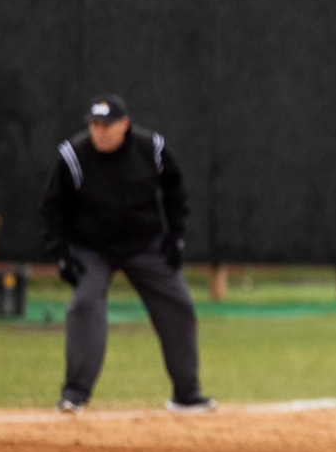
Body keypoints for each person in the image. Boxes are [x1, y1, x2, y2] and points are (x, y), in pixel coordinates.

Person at [41, 92, 214, 415]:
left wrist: (175, 236)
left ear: (124, 125)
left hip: (145, 245)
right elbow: (53, 208)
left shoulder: (152, 149)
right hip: (93, 249)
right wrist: (62, 252)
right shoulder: (74, 155)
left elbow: (176, 191)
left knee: (179, 306)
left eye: (107, 125)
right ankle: (74, 394)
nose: (100, 132)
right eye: (94, 125)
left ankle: (186, 393)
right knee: (84, 305)